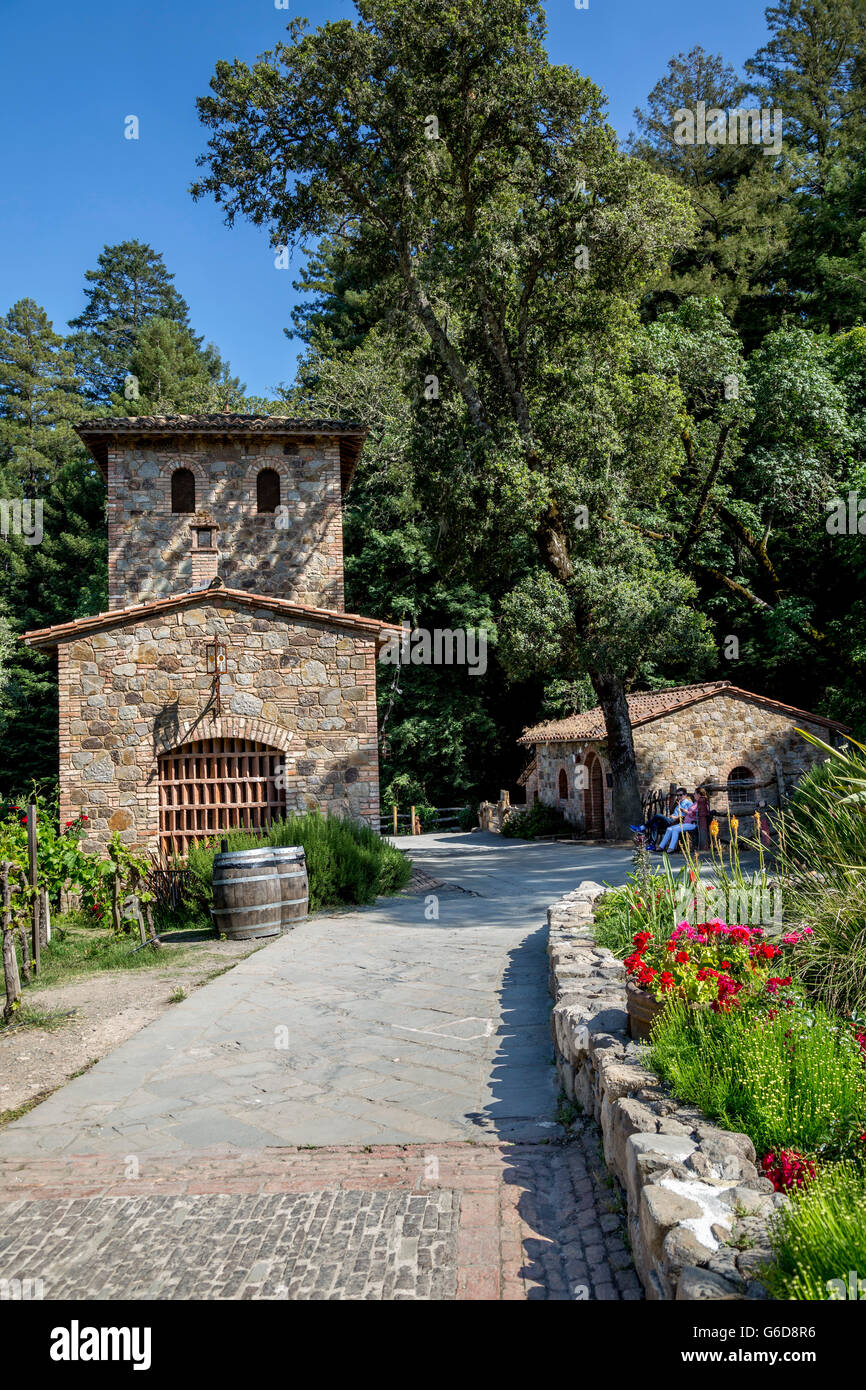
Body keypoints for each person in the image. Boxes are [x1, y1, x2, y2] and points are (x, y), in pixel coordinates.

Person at [656, 788, 698, 854]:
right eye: (677, 795)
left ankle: (671, 848)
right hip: (684, 822)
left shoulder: (691, 803)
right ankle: (661, 847)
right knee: (669, 829)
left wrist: (685, 812)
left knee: (660, 817)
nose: (678, 797)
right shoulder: (693, 803)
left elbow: (694, 814)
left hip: (691, 823)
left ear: (685, 795)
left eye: (680, 795)